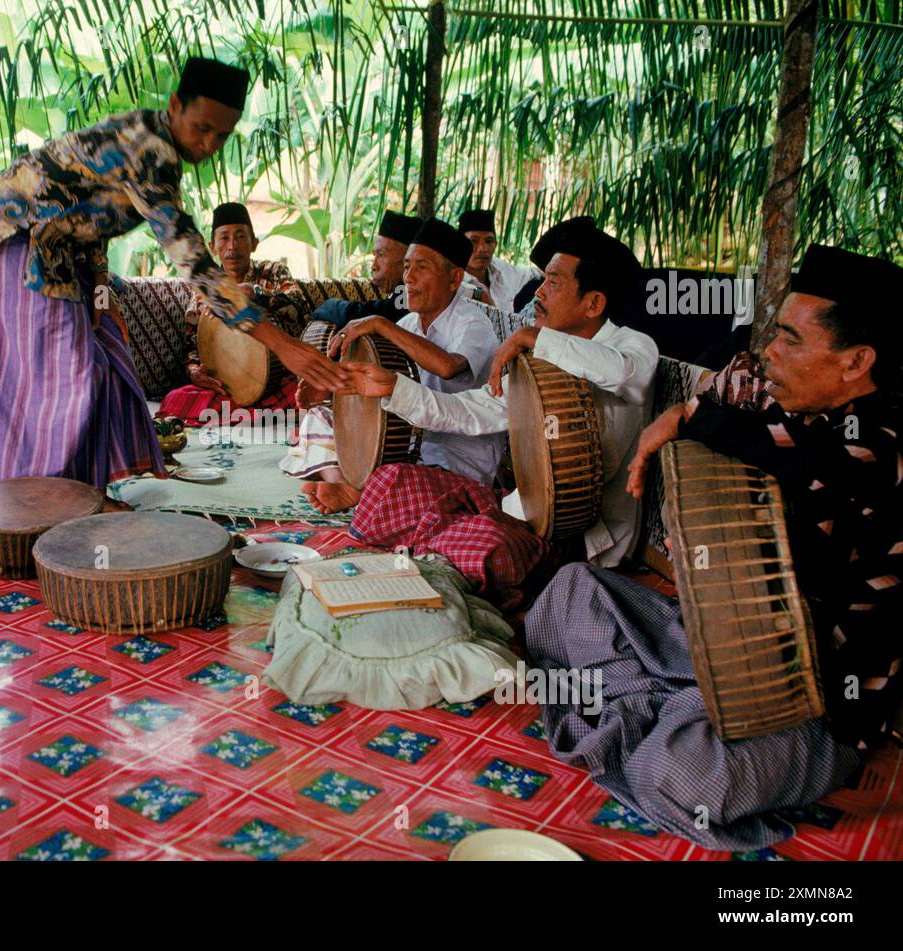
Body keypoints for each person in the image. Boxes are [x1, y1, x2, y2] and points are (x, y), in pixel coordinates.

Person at [526, 244, 902, 850]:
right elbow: (748, 424)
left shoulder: (878, 443)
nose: (769, 354)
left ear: (857, 360)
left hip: (809, 703)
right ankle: (657, 706)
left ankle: (640, 709)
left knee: (684, 776)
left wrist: (681, 417)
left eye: (790, 340)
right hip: (719, 643)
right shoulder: (802, 416)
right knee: (571, 591)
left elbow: (791, 454)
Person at [0, 56, 347, 496]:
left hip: (51, 248)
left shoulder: (151, 137)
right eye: (202, 127)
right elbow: (196, 264)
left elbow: (89, 221)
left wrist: (94, 296)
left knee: (104, 361)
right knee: (65, 377)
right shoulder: (152, 149)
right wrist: (286, 347)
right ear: (175, 105)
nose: (209, 144)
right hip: (13, 237)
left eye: (222, 135)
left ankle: (81, 493)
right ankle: (40, 501)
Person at [327, 220, 658, 612]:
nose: (538, 292)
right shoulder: (540, 358)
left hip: (583, 542)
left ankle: (449, 549)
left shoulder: (632, 347)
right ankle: (445, 543)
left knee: (482, 545)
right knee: (389, 483)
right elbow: (471, 411)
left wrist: (533, 337)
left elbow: (626, 375)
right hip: (517, 510)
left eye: (552, 282)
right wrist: (392, 389)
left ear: (593, 304)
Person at [299, 217, 509, 511]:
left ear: (454, 278)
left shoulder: (472, 323)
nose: (408, 277)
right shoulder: (409, 323)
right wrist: (328, 393)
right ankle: (344, 482)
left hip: (454, 461)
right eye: (407, 266)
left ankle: (359, 491)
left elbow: (449, 366)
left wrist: (382, 324)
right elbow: (380, 386)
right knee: (317, 420)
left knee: (397, 479)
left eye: (421, 267)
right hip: (407, 448)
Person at [157, 201, 300, 425]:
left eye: (241, 237)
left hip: (278, 378)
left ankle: (246, 413)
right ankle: (256, 413)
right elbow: (191, 346)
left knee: (301, 388)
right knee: (175, 400)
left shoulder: (273, 272)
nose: (232, 246)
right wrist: (195, 371)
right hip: (227, 386)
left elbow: (298, 304)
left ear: (254, 243)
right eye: (224, 238)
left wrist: (256, 293)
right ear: (212, 247)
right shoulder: (206, 289)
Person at [311, 209, 423, 327]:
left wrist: (329, 306)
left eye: (381, 254)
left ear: (407, 258)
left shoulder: (412, 293)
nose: (374, 266)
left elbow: (368, 316)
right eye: (374, 255)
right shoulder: (402, 291)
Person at [458, 208, 541, 314]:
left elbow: (534, 273)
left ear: (495, 245)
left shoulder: (499, 268)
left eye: (489, 241)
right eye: (474, 241)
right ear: (460, 244)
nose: (482, 248)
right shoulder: (452, 278)